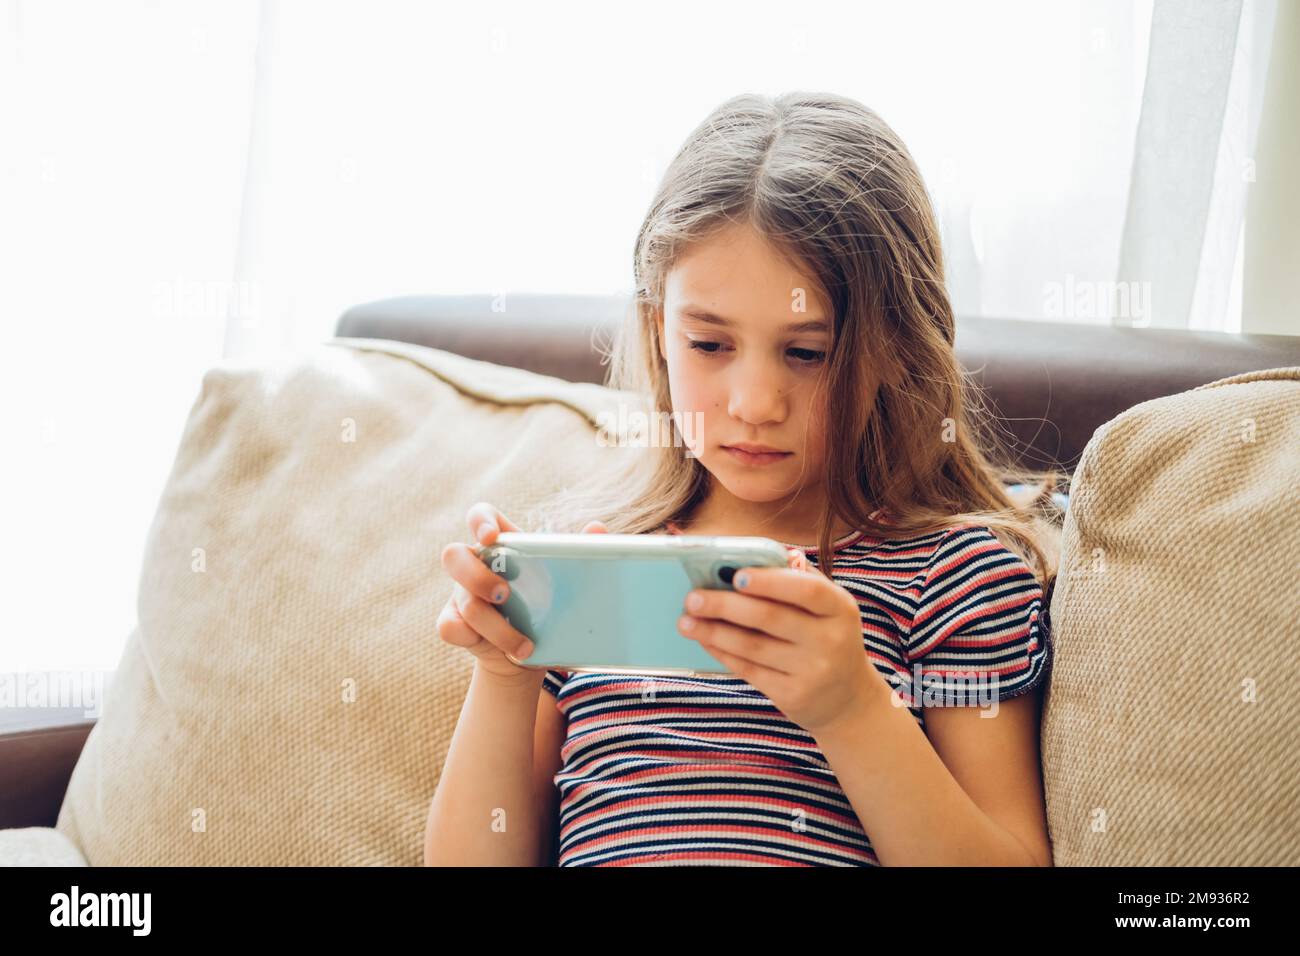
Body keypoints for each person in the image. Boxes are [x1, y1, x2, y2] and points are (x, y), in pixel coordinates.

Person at [425, 91, 1064, 867]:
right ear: (658, 328)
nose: (755, 405)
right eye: (708, 343)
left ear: (896, 346)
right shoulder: (592, 562)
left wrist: (852, 709)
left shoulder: (954, 577)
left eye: (807, 353)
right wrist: (502, 675)